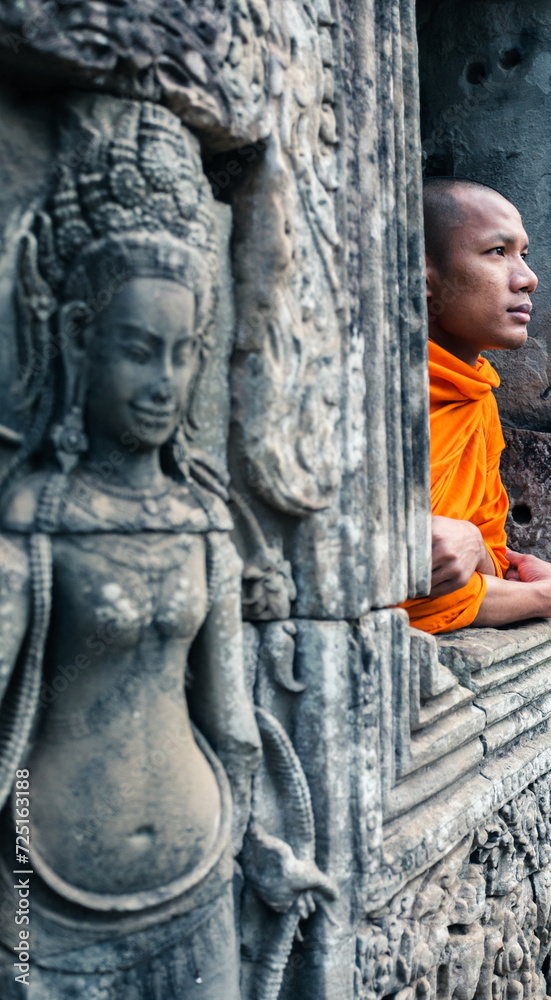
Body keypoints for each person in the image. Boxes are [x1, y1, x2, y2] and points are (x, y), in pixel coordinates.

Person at [0, 98, 335, 1000]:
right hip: (43, 893)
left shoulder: (201, 522)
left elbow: (230, 726)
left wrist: (260, 849)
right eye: (137, 351)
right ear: (77, 340)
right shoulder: (34, 522)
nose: (164, 383)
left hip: (203, 876)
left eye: (183, 353)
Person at [404, 177, 551, 634]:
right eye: (497, 252)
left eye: (524, 254)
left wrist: (475, 547)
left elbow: (479, 569)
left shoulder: (475, 400)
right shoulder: (369, 392)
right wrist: (538, 596)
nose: (528, 278)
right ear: (425, 275)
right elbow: (383, 589)